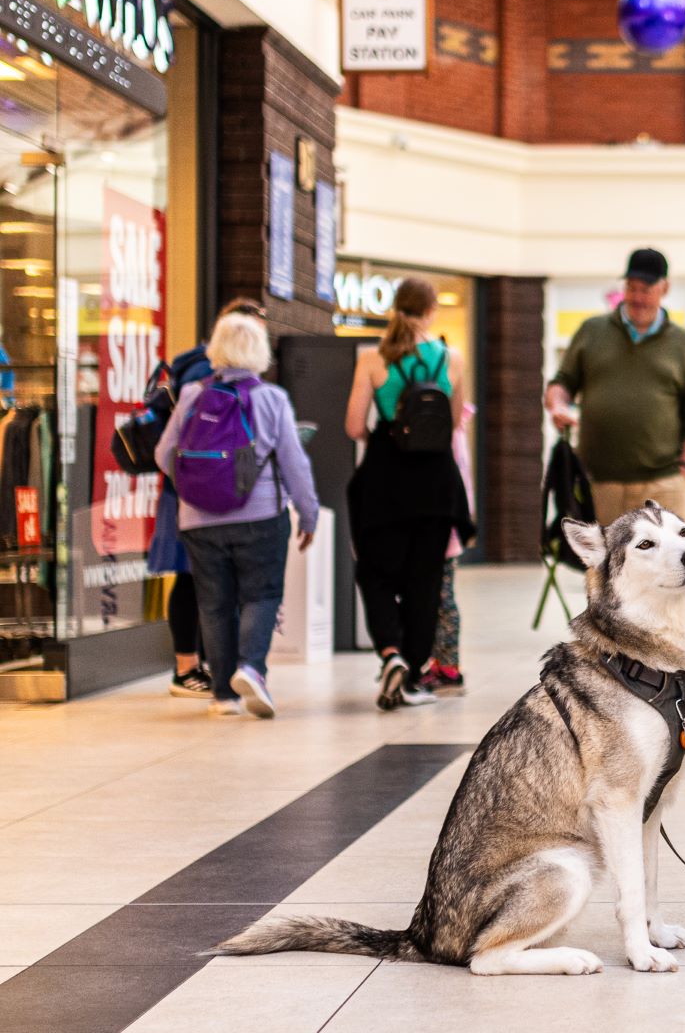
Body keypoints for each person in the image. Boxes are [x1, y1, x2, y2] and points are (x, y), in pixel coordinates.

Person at [155, 309, 319, 719]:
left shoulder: (193, 394)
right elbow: (295, 465)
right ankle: (251, 668)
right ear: (259, 353)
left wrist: (197, 487)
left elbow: (162, 454)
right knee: (260, 595)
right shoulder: (272, 399)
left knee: (214, 603)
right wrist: (309, 514)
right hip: (259, 517)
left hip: (197, 522)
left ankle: (222, 696)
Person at [345, 278, 474, 711]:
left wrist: (384, 434)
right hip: (435, 484)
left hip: (383, 480)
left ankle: (390, 653)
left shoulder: (371, 358)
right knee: (425, 582)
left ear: (394, 307)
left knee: (375, 574)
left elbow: (352, 427)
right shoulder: (451, 359)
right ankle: (415, 674)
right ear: (432, 310)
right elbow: (454, 423)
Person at [545, 248, 685, 523]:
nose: (637, 297)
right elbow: (562, 383)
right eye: (631, 288)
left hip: (664, 483)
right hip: (599, 483)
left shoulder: (682, 343)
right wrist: (558, 405)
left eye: (646, 289)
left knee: (668, 565)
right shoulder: (592, 331)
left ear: (664, 288)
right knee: (604, 565)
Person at [421, 401, 477, 696]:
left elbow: (462, 472)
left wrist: (464, 519)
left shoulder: (452, 425)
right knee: (439, 596)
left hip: (445, 522)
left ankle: (448, 667)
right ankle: (438, 663)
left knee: (442, 598)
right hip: (446, 520)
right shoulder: (450, 421)